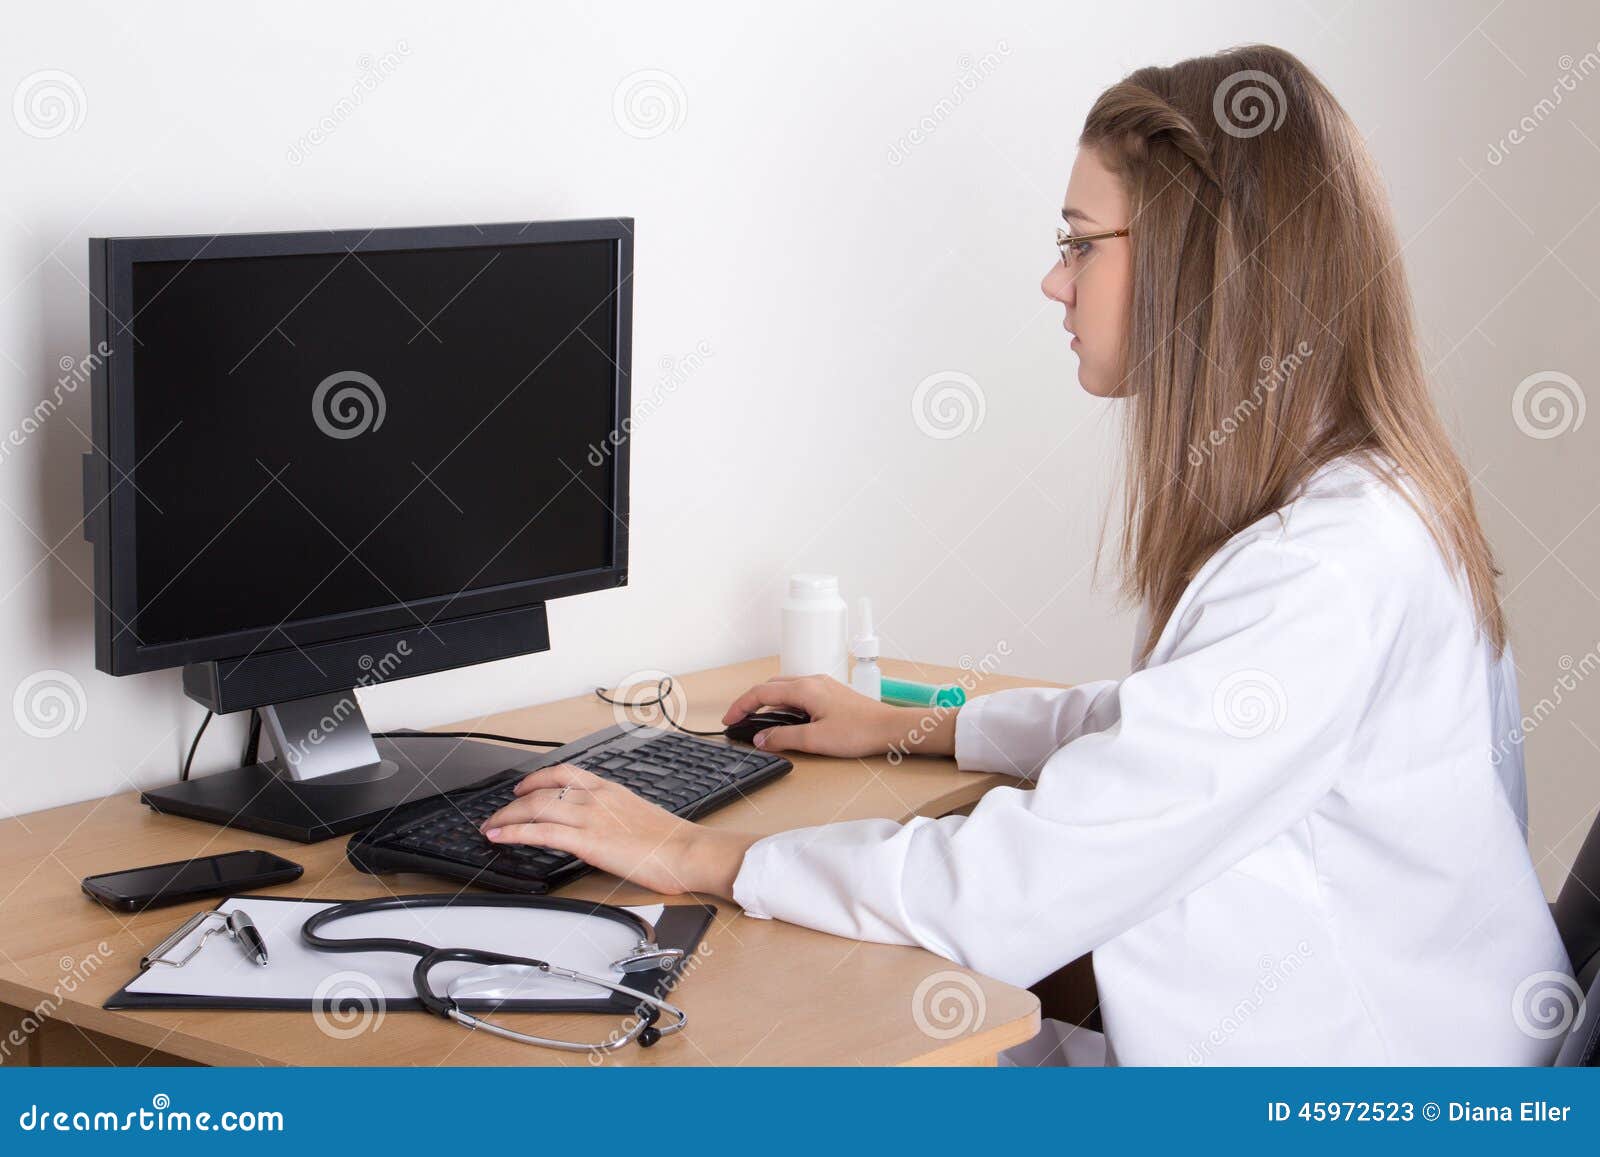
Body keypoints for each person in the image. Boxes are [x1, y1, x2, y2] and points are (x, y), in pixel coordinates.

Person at [482, 44, 1571, 1065]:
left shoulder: (1323, 569)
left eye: (1077, 242)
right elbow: (1171, 734)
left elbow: (1009, 890)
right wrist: (922, 724)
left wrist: (694, 854)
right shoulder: (1371, 500)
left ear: (1202, 263)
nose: (1056, 282)